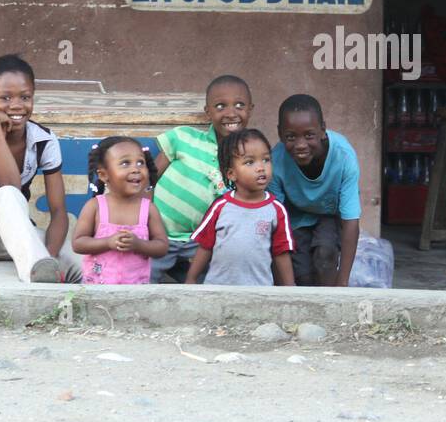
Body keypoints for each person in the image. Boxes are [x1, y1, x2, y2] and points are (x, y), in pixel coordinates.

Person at [0, 54, 81, 283]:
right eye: (5, 98)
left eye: (25, 97)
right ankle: (33, 276)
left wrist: (50, 254)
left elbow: (58, 211)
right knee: (9, 194)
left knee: (76, 262)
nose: (17, 105)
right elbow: (9, 184)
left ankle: (51, 280)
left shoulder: (44, 139)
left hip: (17, 236)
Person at [150, 75, 253, 282]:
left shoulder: (246, 159)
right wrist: (143, 221)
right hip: (158, 236)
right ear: (208, 112)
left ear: (250, 109)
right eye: (221, 106)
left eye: (240, 105)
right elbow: (148, 180)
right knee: (142, 277)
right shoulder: (184, 138)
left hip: (201, 243)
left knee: (209, 284)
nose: (231, 113)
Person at [269, 94, 361, 287]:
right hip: (294, 215)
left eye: (309, 135)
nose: (301, 145)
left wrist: (342, 283)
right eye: (291, 137)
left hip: (329, 214)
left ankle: (330, 310)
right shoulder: (276, 161)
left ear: (323, 129)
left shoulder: (343, 157)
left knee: (325, 255)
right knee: (302, 274)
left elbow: (350, 221)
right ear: (279, 133)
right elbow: (275, 219)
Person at [185, 128, 295, 286]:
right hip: (218, 289)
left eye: (266, 159)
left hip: (259, 292)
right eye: (250, 162)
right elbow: (205, 246)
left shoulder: (276, 209)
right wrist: (191, 279)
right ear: (231, 174)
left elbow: (281, 252)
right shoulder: (221, 206)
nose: (260, 167)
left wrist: (290, 288)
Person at [70, 137, 169, 284]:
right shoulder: (95, 206)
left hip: (136, 292)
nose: (136, 169)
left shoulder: (148, 208)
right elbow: (78, 243)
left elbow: (162, 246)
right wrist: (108, 242)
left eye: (140, 162)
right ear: (104, 175)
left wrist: (138, 245)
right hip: (96, 291)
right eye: (125, 163)